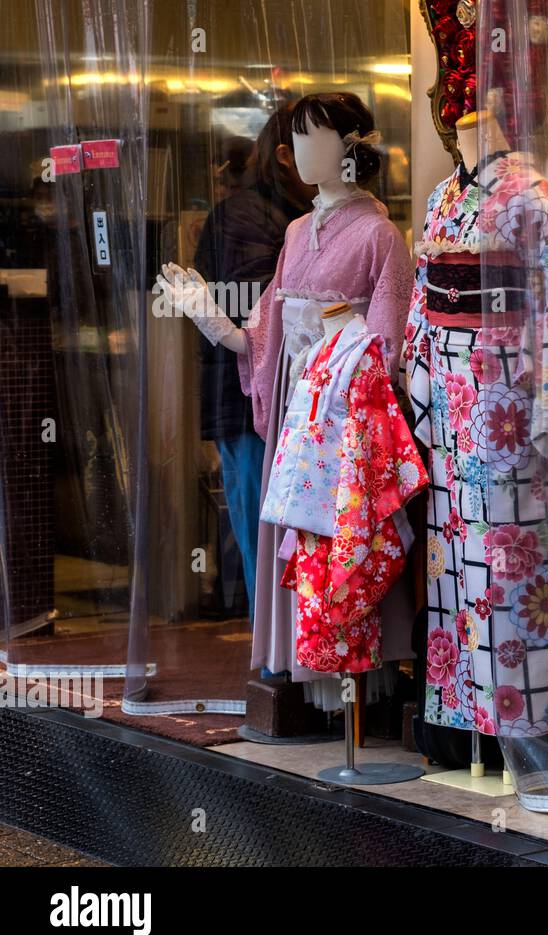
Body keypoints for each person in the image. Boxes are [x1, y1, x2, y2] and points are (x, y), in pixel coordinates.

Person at [193, 102, 315, 619]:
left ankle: (297, 670)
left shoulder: (298, 212)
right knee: (266, 548)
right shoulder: (246, 217)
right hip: (250, 407)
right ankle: (275, 675)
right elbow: (263, 312)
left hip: (290, 405)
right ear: (286, 156)